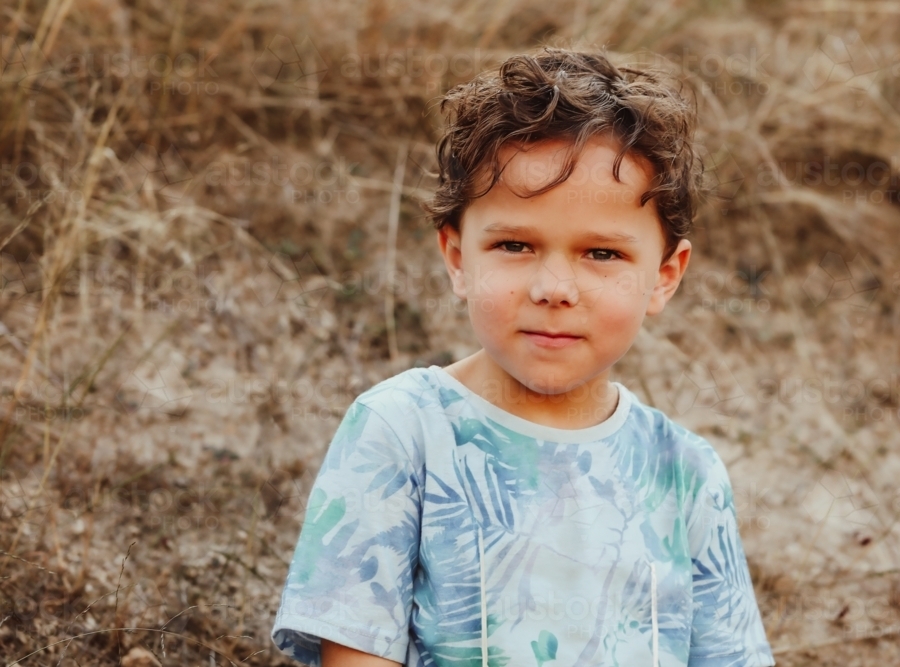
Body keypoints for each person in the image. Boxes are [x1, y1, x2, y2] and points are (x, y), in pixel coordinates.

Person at [271, 46, 776, 667]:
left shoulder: (687, 474)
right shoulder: (403, 432)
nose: (553, 288)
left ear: (665, 276)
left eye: (602, 254)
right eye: (515, 244)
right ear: (458, 259)